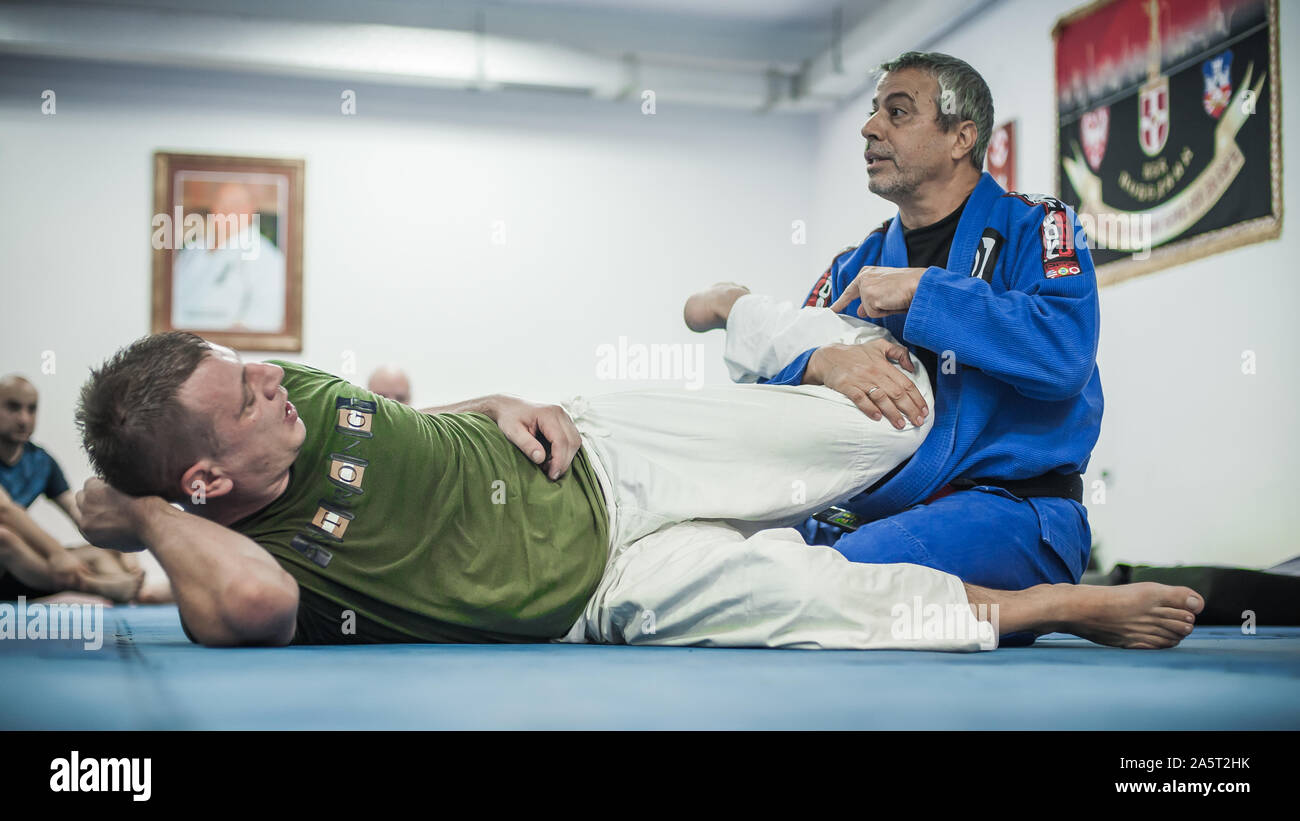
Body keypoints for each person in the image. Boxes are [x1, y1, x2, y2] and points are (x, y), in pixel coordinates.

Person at [71, 332, 1200, 651]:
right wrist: (144, 514)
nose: (278, 379)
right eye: (251, 394)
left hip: (609, 452)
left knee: (871, 415)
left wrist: (500, 399)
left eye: (258, 366)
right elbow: (254, 610)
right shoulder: (244, 564)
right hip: (604, 585)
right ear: (205, 478)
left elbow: (414, 426)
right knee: (828, 612)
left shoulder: (293, 392)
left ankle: (774, 326)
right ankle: (1060, 608)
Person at [686, 53, 1104, 641]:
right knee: (724, 568)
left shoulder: (1040, 227)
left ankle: (1060, 605)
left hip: (1013, 514)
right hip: (875, 510)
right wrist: (818, 364)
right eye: (873, 111)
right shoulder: (855, 265)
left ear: (962, 137)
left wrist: (925, 292)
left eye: (897, 112)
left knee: (841, 576)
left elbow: (1063, 354)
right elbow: (777, 397)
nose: (869, 128)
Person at [0, 374, 146, 602]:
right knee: (3, 537)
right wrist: (57, 554)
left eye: (31, 409)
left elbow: (77, 511)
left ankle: (137, 594)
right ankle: (90, 585)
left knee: (101, 554)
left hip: (19, 569)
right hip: (6, 553)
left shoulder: (40, 460)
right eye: (13, 407)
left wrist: (120, 545)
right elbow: (5, 511)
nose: (23, 419)